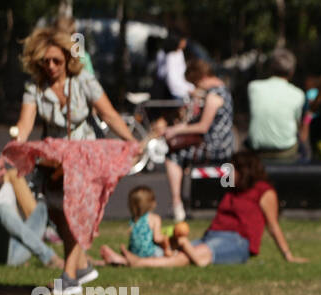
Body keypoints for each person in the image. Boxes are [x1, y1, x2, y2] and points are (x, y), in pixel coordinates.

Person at [7, 24, 142, 294]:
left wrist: (130, 140)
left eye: (57, 60)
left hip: (85, 157)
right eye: (46, 61)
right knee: (59, 213)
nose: (51, 66)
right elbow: (25, 123)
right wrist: (17, 144)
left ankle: (68, 276)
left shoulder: (83, 81)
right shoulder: (34, 87)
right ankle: (81, 268)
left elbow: (109, 114)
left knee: (77, 211)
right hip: (55, 160)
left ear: (68, 59)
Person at [112, 150, 303, 268]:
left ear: (246, 170)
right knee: (174, 251)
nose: (228, 172)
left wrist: (288, 255)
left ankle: (138, 263)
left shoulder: (264, 191)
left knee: (188, 256)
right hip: (211, 236)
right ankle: (122, 260)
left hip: (237, 241)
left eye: (233, 168)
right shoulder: (233, 190)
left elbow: (273, 225)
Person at [162, 59, 235, 218]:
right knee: (179, 151)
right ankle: (181, 201)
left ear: (201, 78)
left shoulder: (214, 96)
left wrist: (177, 130)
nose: (195, 88)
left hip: (215, 147)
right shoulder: (222, 90)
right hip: (225, 144)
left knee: (173, 156)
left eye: (195, 83)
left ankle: (177, 203)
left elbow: (203, 127)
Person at [246, 48, 306, 164]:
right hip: (285, 149)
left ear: (270, 68)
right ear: (292, 71)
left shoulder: (253, 87)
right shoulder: (298, 94)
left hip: (258, 150)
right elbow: (297, 122)